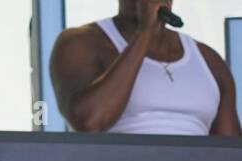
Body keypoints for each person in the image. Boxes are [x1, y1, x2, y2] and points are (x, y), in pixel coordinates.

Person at [50, 0, 241, 135]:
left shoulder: (208, 60)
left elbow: (231, 157)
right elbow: (90, 121)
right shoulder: (81, 41)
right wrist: (145, 33)